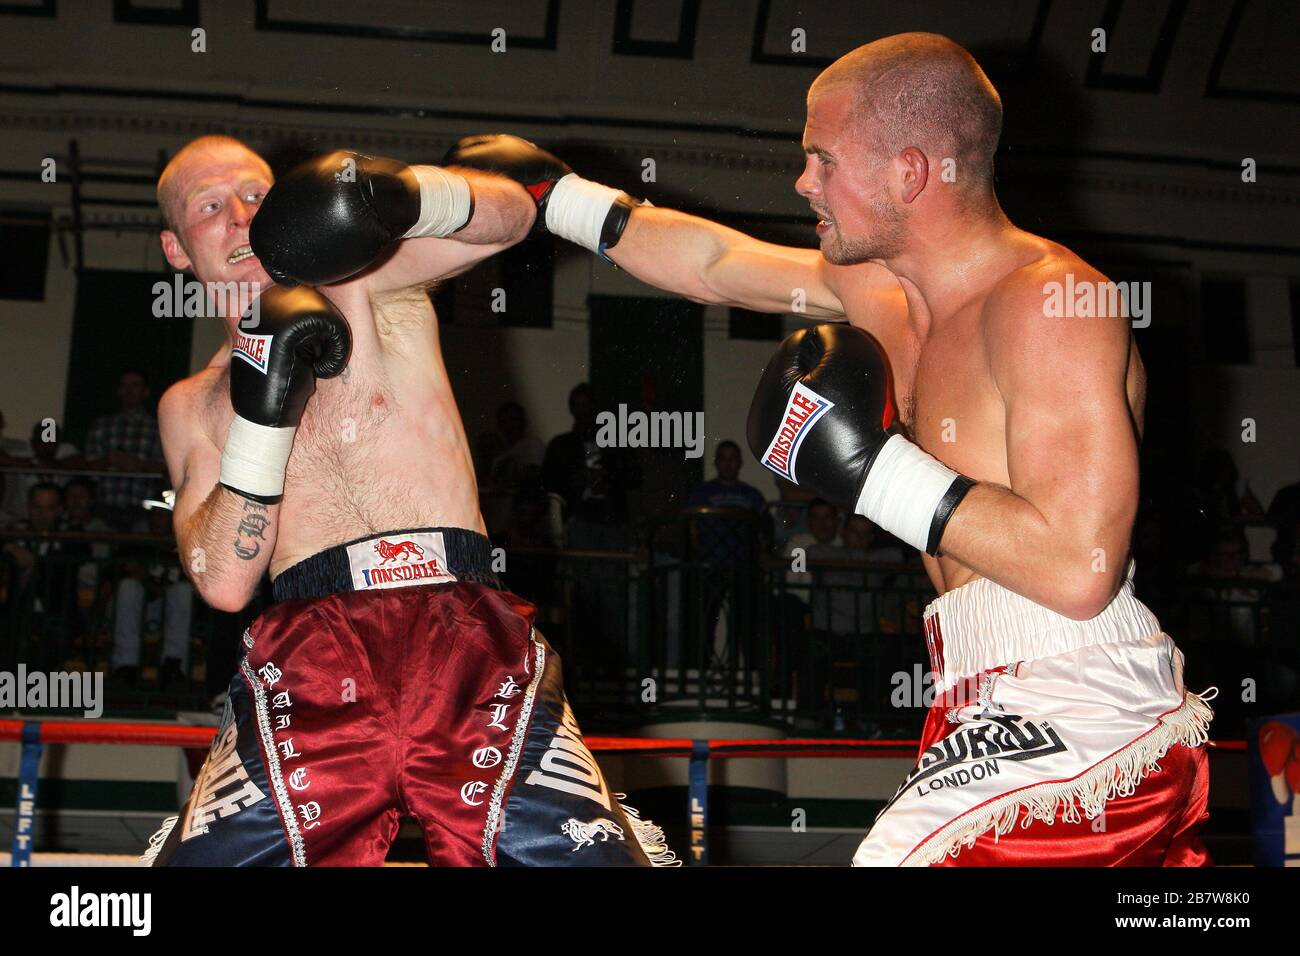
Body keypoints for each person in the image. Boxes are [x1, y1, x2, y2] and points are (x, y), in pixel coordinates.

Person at [468, 33, 1212, 865]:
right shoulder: (877, 289)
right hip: (972, 692)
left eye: (822, 159)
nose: (802, 182)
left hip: (1081, 699)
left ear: (910, 171)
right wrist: (557, 199)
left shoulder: (1049, 304)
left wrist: (874, 469)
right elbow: (716, 263)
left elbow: (1080, 569)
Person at [142, 135, 673, 867]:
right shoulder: (194, 404)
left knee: (588, 860)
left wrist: (405, 195)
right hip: (308, 654)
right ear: (176, 248)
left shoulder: (372, 277)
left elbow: (514, 215)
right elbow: (223, 580)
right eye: (209, 206)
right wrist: (261, 417)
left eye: (257, 197)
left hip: (464, 630)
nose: (239, 218)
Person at [84, 371, 166, 530]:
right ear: (119, 391)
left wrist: (138, 466)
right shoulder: (101, 426)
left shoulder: (158, 428)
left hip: (143, 508)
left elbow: (166, 468)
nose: (129, 390)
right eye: (125, 386)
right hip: (105, 507)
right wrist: (109, 461)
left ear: (145, 392)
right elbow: (88, 466)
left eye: (135, 385)